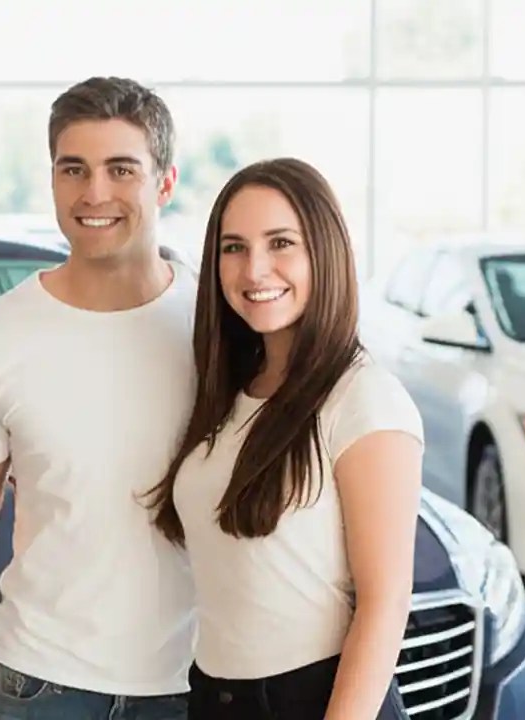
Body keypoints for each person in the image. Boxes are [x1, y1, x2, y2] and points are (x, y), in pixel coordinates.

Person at [0, 77, 196, 720]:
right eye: (72, 169)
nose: (94, 193)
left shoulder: (216, 328)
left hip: (199, 683)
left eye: (120, 169)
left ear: (164, 182)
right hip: (41, 688)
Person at [146, 158, 423, 720]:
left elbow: (385, 604)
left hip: (316, 699)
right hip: (215, 695)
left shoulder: (363, 397)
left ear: (324, 252)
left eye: (280, 243)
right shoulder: (229, 391)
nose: (255, 270)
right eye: (234, 247)